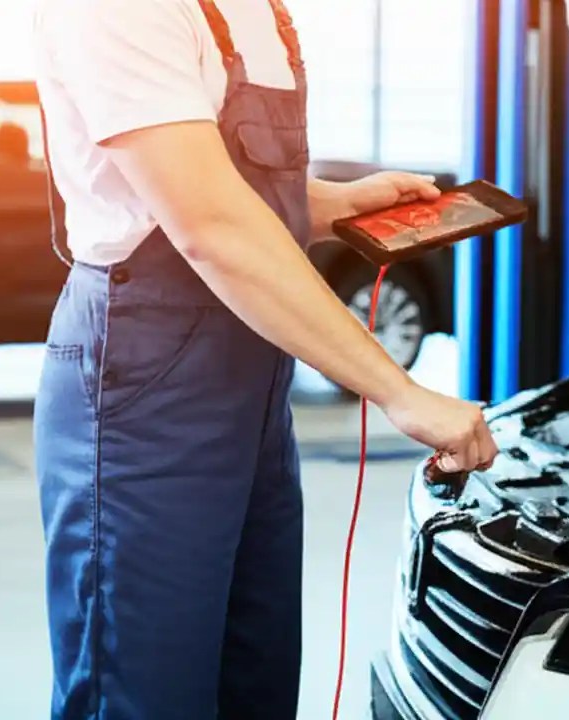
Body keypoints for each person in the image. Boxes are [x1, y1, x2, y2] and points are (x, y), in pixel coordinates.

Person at [31, 0, 498, 717]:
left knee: (255, 678)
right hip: (143, 388)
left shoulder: (256, 9)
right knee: (145, 692)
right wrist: (399, 392)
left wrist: (337, 204)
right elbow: (208, 224)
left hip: (248, 388)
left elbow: (219, 179)